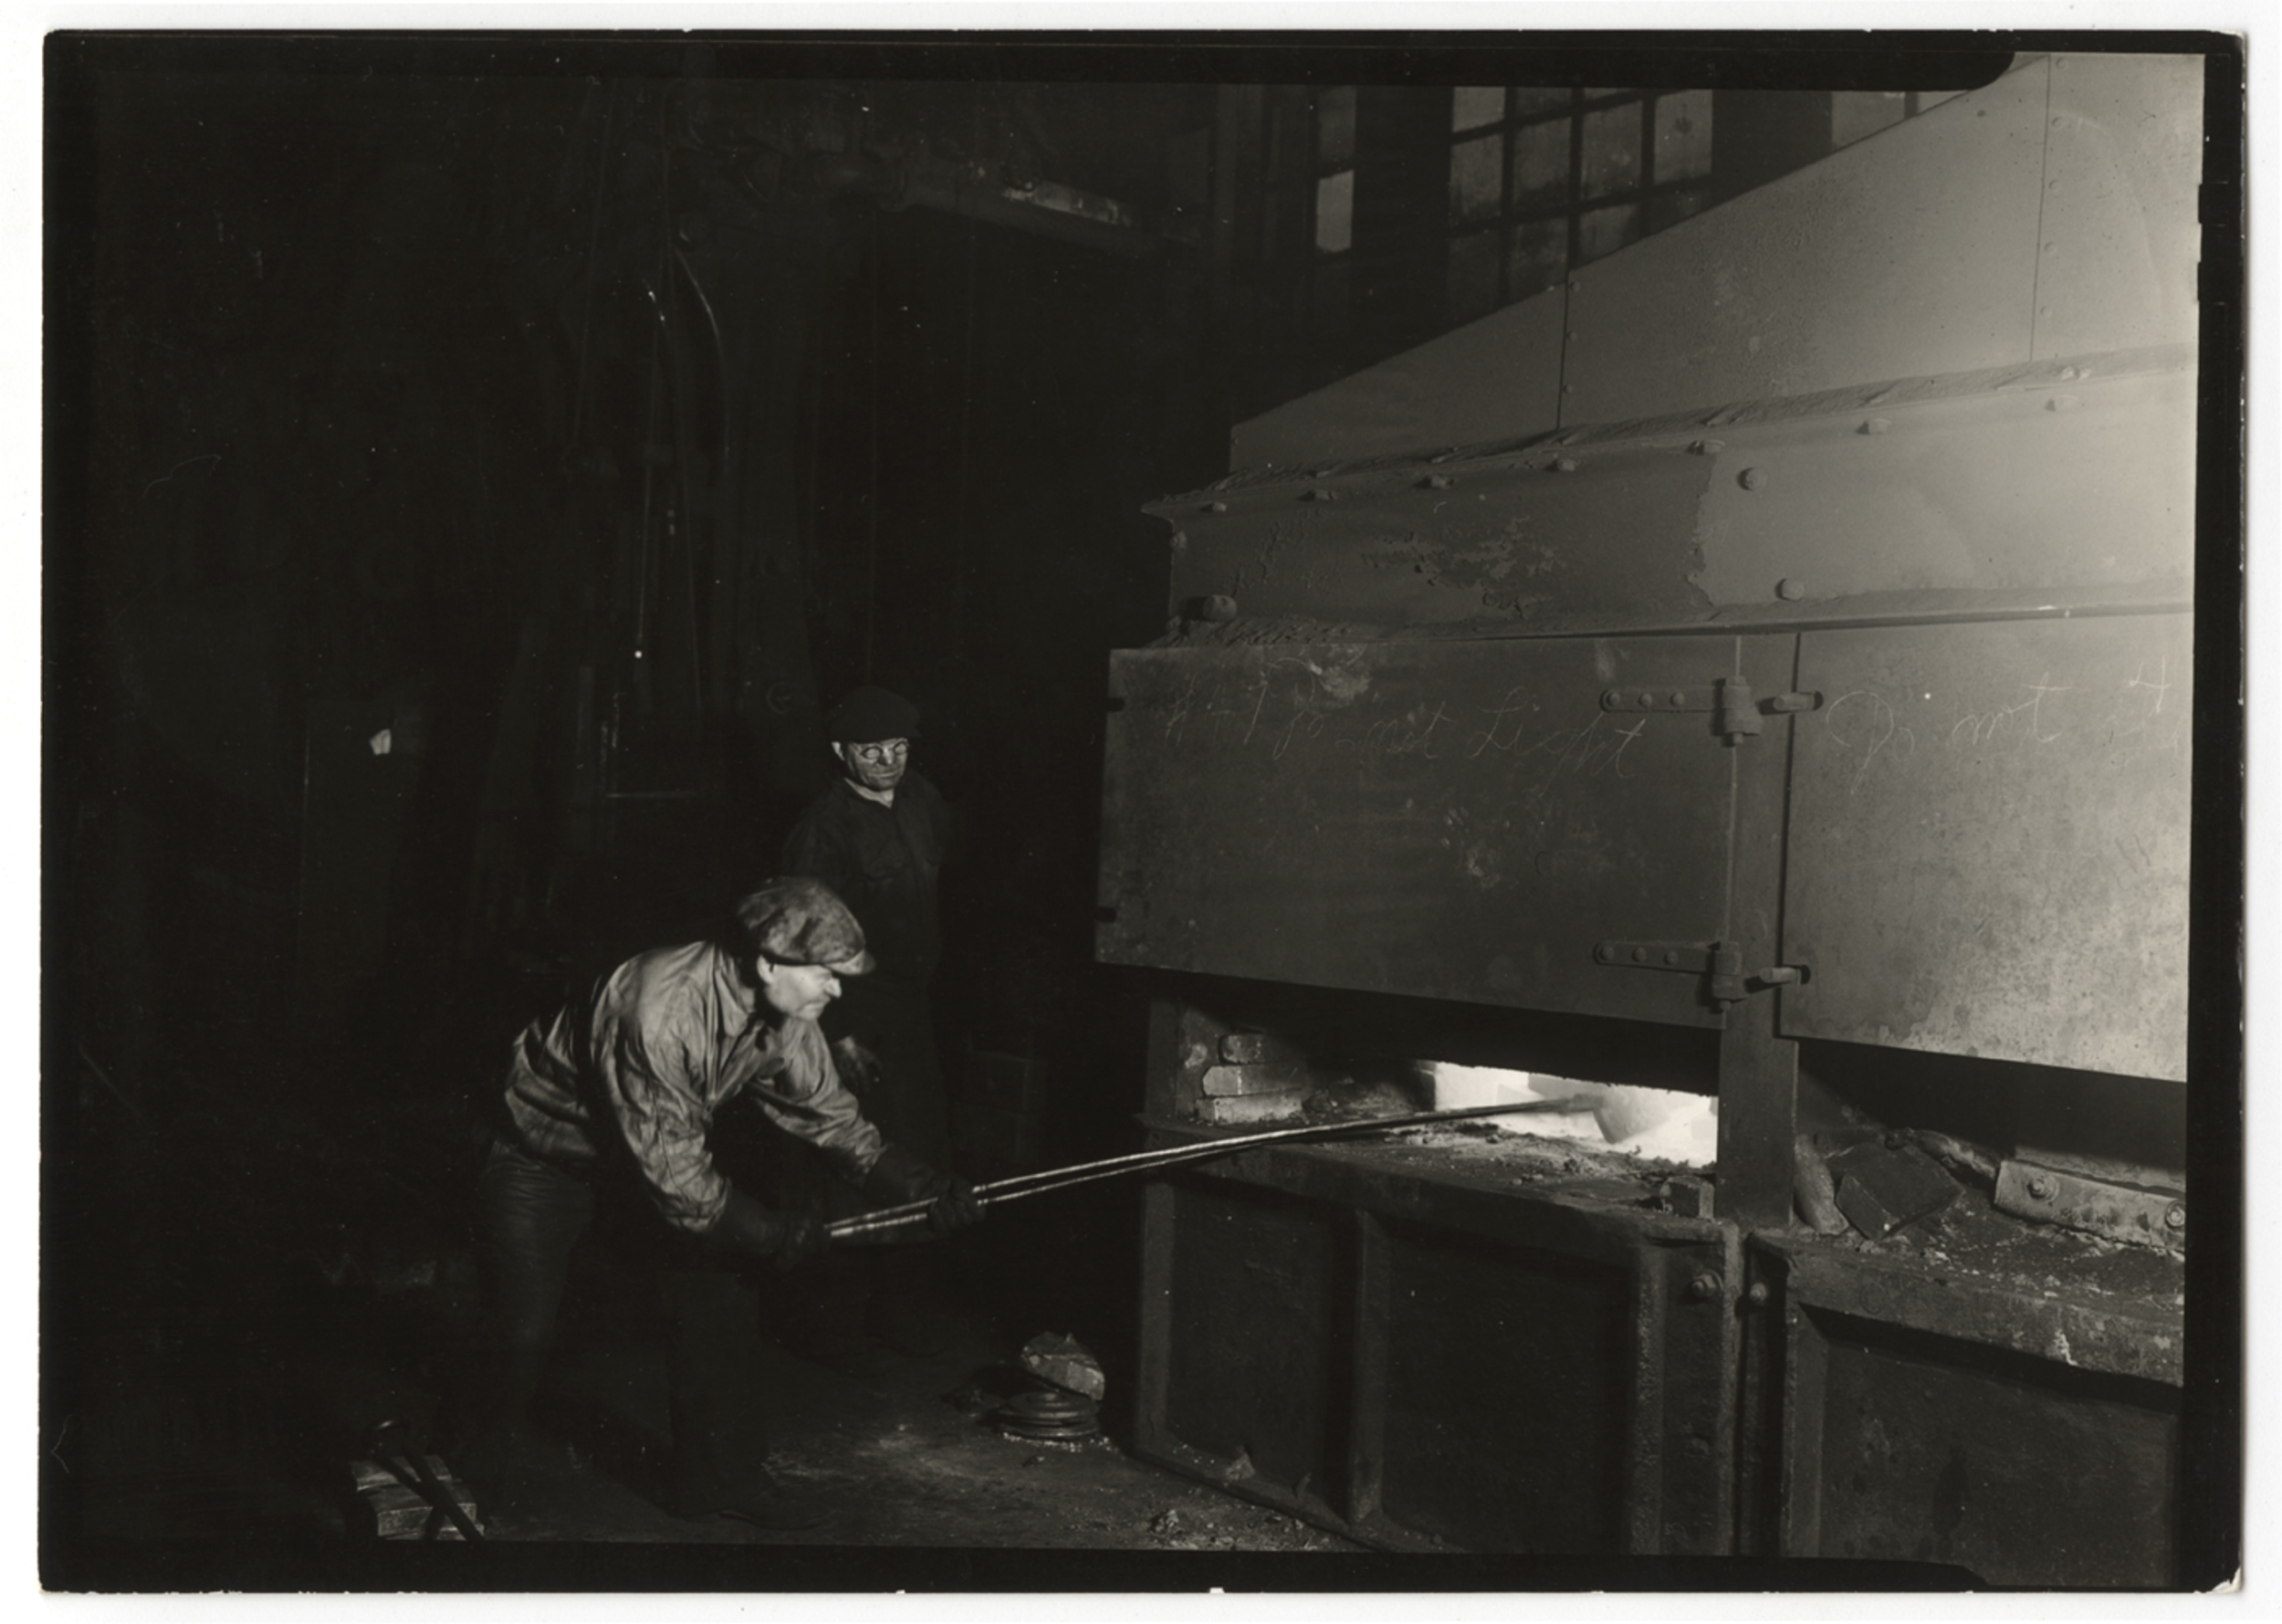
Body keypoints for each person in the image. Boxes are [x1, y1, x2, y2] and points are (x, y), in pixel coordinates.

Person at [453, 875, 981, 1531]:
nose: (837, 990)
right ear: (768, 963)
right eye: (826, 974)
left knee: (719, 1291)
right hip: (540, 1160)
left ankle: (720, 1480)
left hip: (639, 1161)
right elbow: (682, 1185)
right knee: (521, 1330)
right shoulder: (657, 1009)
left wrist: (924, 1190)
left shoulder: (786, 1016)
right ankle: (461, 1480)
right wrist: (772, 1232)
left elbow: (831, 1120)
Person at [779, 686, 963, 1355]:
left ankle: (898, 1318)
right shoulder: (822, 828)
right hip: (853, 1012)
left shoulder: (921, 800)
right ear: (840, 752)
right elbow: (801, 938)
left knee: (918, 1153)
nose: (888, 762)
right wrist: (838, 1035)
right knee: (852, 1164)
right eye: (871, 751)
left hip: (914, 1009)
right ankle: (836, 1332)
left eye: (898, 748)